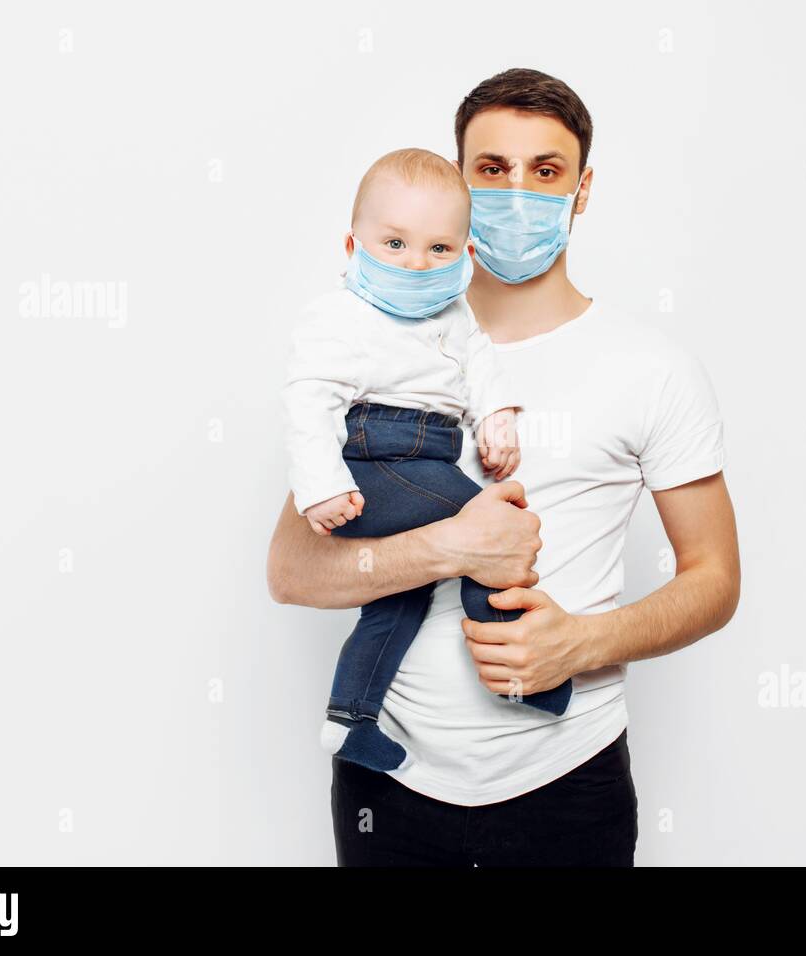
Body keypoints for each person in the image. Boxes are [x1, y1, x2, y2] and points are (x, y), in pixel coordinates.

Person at [268, 68, 741, 867]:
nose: (516, 193)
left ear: (582, 189)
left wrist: (583, 643)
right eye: (491, 169)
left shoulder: (653, 368)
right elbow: (293, 570)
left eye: (545, 172)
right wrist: (451, 549)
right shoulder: (382, 346)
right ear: (458, 181)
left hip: (569, 778)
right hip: (392, 785)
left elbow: (715, 578)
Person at [283, 147, 571, 775]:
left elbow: (481, 365)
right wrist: (321, 488)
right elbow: (309, 402)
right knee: (491, 527)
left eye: (438, 249)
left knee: (398, 598)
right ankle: (522, 676)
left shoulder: (455, 313)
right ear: (352, 243)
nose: (416, 263)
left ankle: (350, 718)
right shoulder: (338, 316)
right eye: (393, 243)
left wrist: (496, 419)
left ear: (466, 255)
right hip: (373, 455)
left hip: (431, 447)